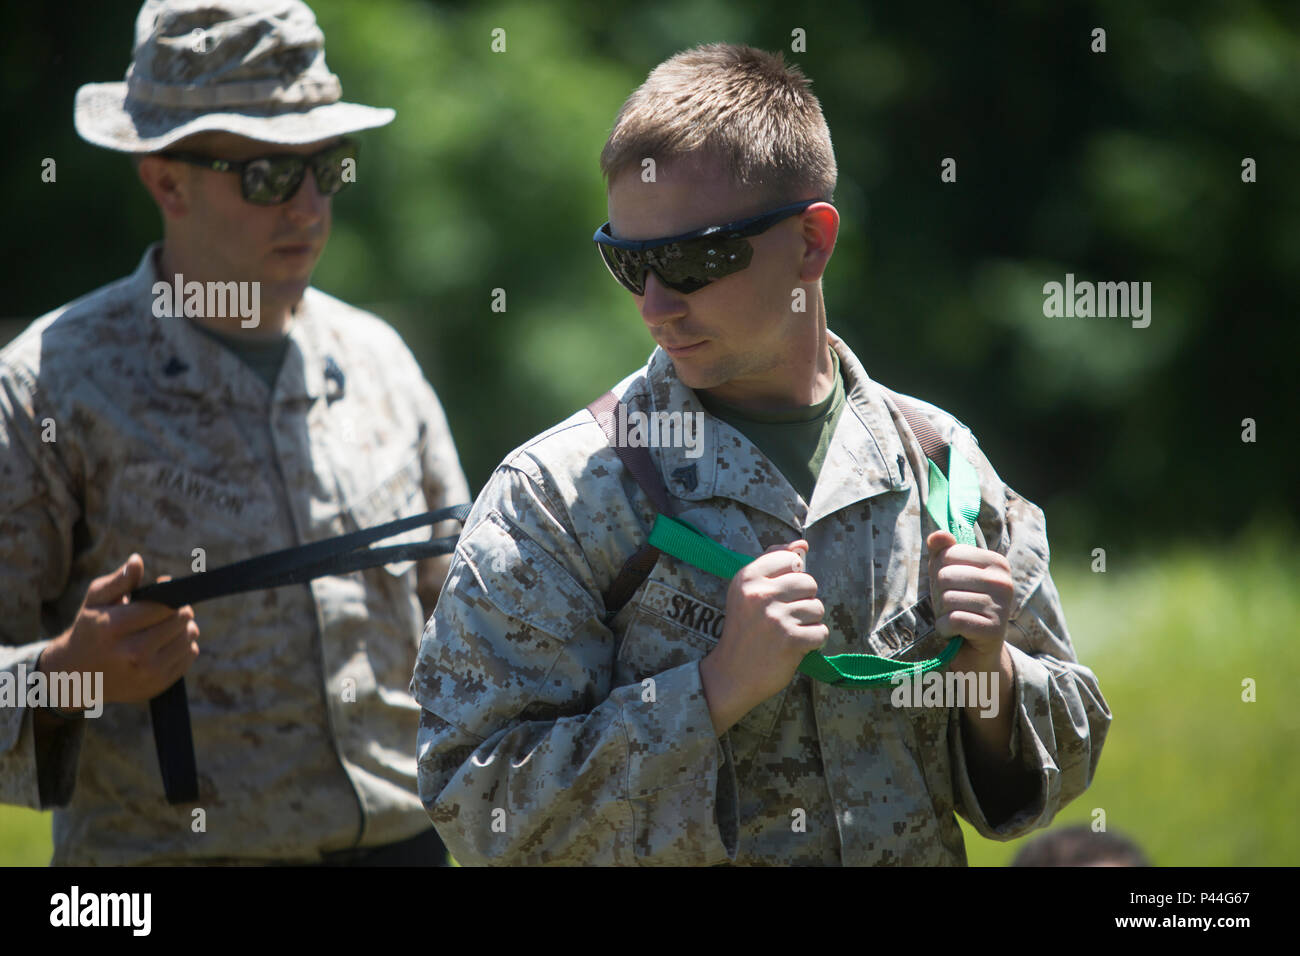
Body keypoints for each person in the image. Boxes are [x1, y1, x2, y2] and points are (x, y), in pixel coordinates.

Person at [412, 43, 1110, 865]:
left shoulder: (941, 465)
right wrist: (711, 692)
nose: (656, 305)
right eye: (628, 262)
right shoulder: (559, 495)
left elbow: (1067, 757)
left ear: (811, 243)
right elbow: (474, 803)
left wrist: (988, 675)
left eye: (696, 259)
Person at [0, 0, 469, 865]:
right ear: (166, 180)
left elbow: (479, 620)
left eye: (327, 166)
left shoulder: (381, 362)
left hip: (407, 845)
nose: (308, 205)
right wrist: (73, 671)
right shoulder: (46, 387)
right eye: (266, 176)